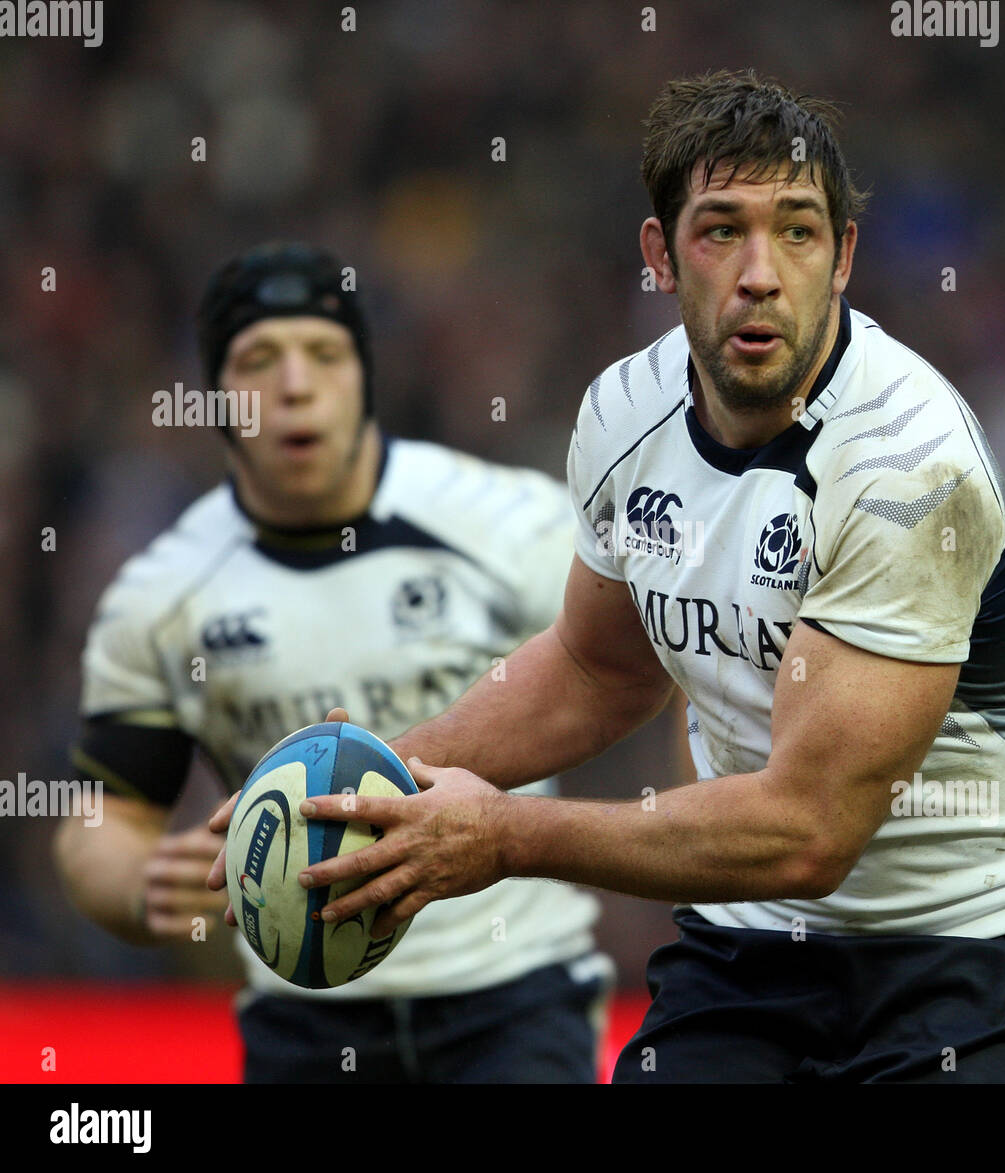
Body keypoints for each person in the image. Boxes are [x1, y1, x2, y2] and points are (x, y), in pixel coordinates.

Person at [213, 71, 1005, 1083]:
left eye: (799, 232)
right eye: (721, 229)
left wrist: (505, 837)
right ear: (660, 254)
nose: (761, 272)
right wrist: (365, 789)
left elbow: (806, 831)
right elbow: (599, 671)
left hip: (980, 937)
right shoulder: (621, 417)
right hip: (760, 941)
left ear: (844, 256)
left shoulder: (907, 465)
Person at [56, 241, 611, 1083]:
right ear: (213, 398)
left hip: (514, 995)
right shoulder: (161, 595)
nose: (293, 384)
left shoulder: (509, 524)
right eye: (257, 360)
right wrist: (140, 886)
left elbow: (634, 669)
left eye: (324, 352)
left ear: (364, 377)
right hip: (303, 1017)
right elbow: (102, 817)